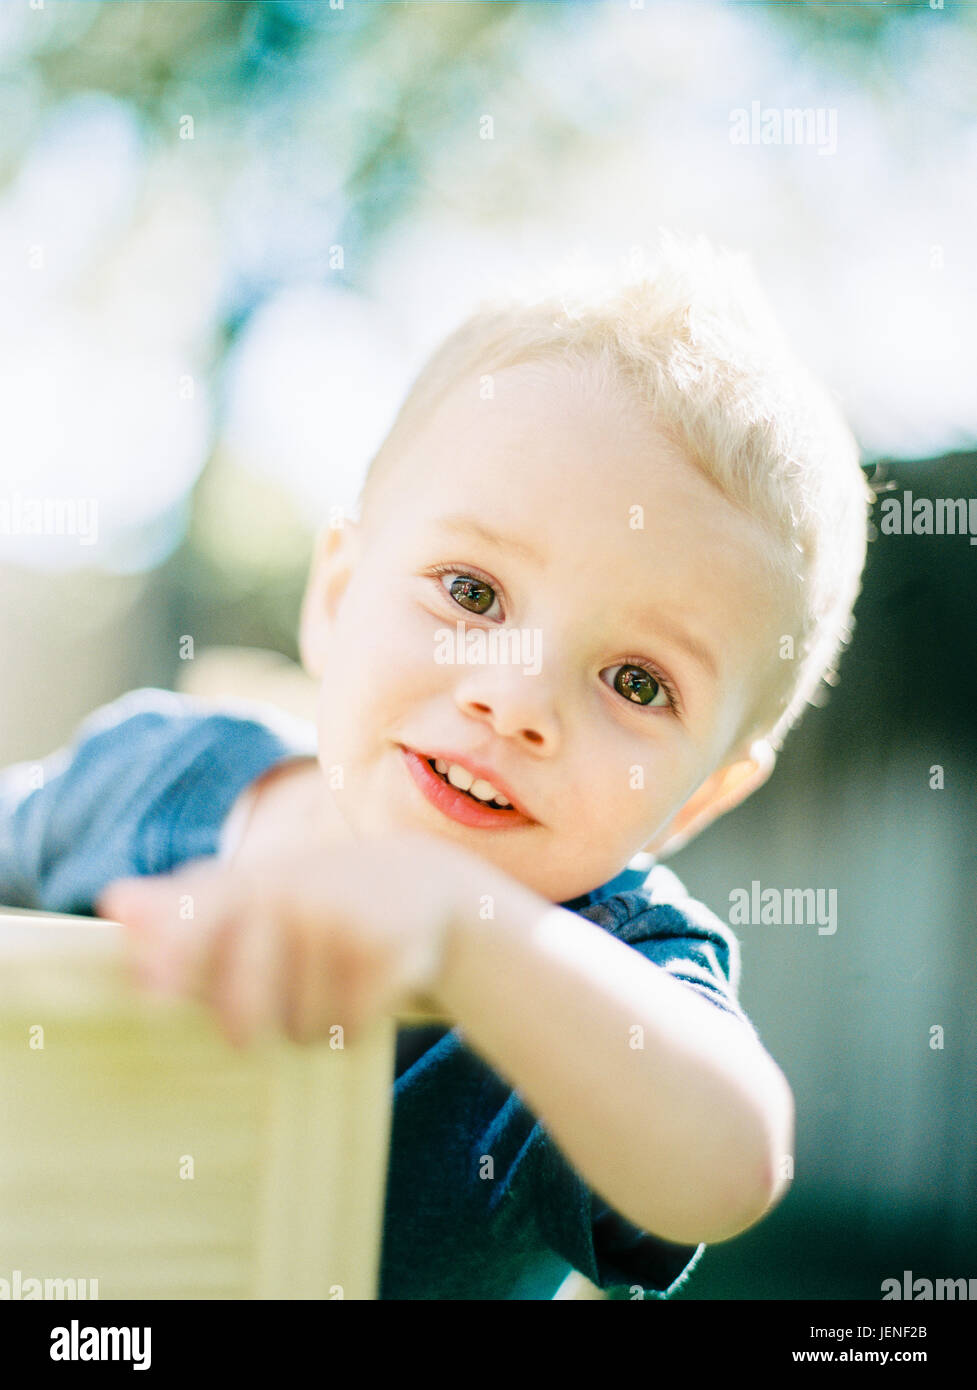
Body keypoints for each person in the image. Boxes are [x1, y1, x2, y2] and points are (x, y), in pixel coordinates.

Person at [0, 232, 873, 1299]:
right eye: (471, 592)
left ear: (699, 794)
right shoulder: (155, 776)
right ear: (337, 594)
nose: (513, 699)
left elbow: (730, 1166)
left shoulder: (603, 963)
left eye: (636, 682)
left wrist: (467, 930)